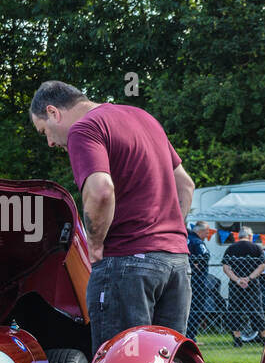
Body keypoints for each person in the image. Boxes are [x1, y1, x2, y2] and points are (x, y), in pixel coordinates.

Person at [29, 80, 194, 349]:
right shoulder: (143, 118)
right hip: (176, 262)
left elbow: (101, 191)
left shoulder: (84, 129)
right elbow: (185, 185)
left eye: (44, 130)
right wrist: (169, 234)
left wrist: (94, 244)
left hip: (126, 262)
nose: (49, 142)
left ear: (53, 112)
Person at [222, 226, 265, 346]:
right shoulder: (257, 248)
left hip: (235, 285)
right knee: (256, 309)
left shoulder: (231, 248)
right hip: (252, 284)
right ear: (250, 236)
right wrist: (249, 278)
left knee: (234, 310)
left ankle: (237, 339)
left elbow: (226, 268)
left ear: (239, 236)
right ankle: (264, 338)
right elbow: (262, 266)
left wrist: (237, 280)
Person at [187, 220, 211, 339]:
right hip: (198, 281)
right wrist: (195, 264)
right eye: (206, 232)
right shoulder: (197, 242)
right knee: (197, 308)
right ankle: (192, 336)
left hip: (186, 280)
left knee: (187, 308)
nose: (207, 235)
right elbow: (205, 256)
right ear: (200, 231)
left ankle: (187, 335)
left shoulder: (185, 239)